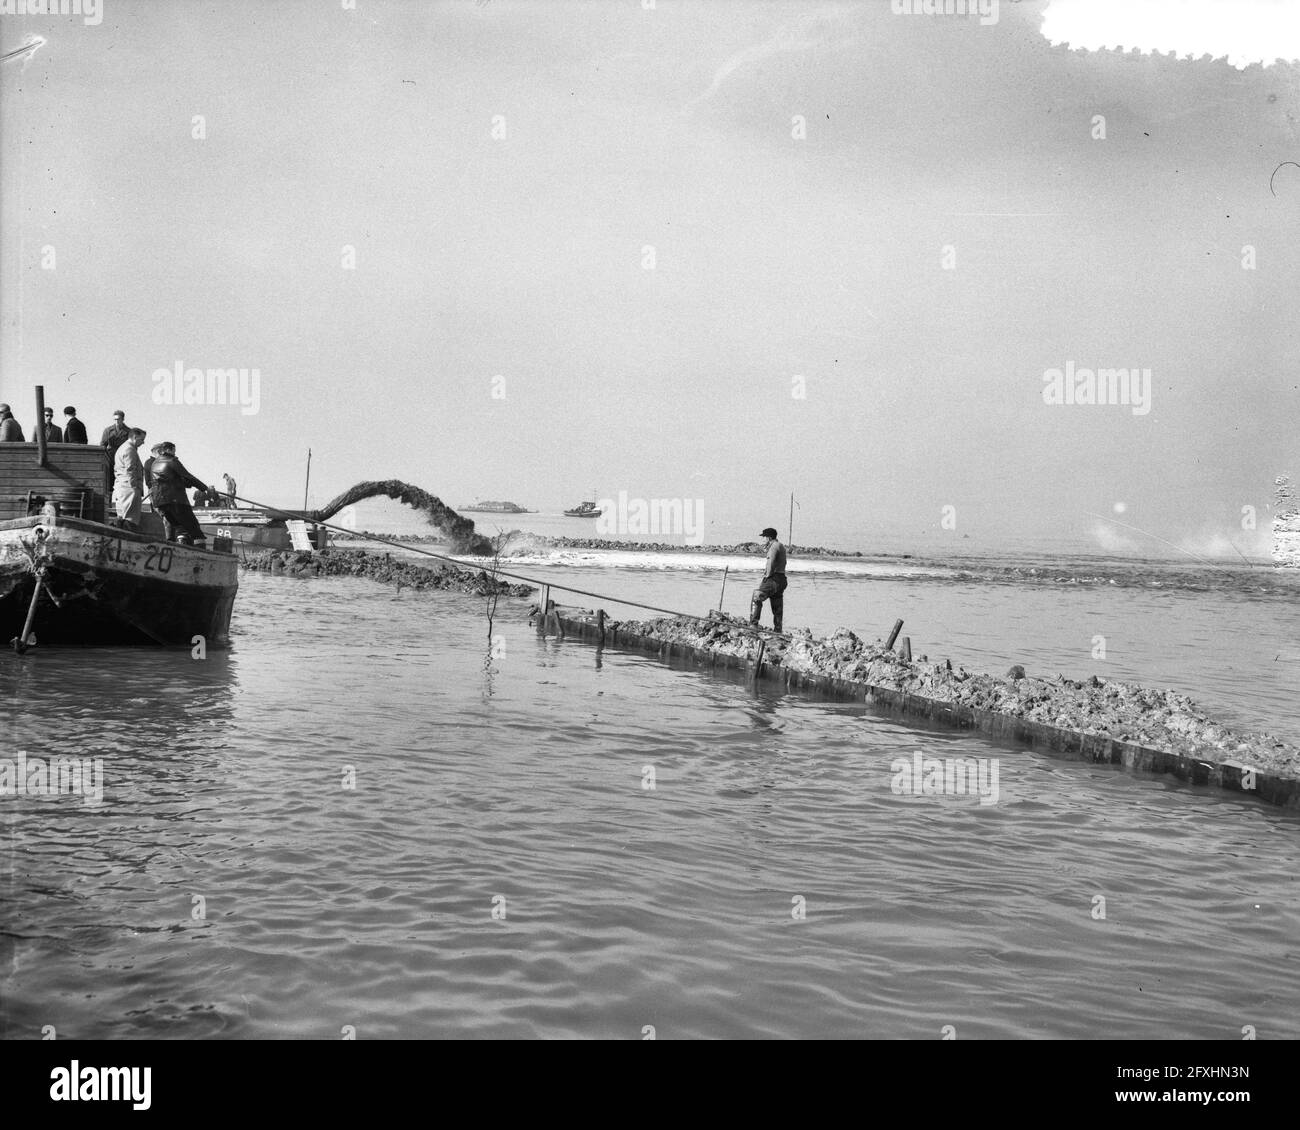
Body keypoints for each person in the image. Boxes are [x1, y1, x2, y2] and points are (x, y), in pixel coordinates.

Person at [149, 442, 212, 546]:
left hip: (161, 503)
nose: (175, 453)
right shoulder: (172, 460)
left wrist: (186, 484)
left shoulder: (154, 463)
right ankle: (201, 551)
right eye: (174, 450)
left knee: (179, 527)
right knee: (194, 528)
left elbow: (167, 479)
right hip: (176, 500)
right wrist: (204, 488)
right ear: (169, 450)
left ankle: (182, 547)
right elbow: (187, 476)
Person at [749, 526, 788, 633]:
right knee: (777, 603)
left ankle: (753, 625)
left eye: (764, 537)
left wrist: (767, 577)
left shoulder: (774, 547)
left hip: (773, 578)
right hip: (782, 579)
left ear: (769, 538)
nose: (763, 540)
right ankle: (778, 629)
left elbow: (770, 563)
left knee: (757, 597)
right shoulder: (781, 546)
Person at [112, 427, 147, 532]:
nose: (143, 442)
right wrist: (135, 486)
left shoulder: (123, 448)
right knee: (130, 519)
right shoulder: (129, 449)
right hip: (129, 488)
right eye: (142, 439)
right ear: (135, 437)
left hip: (122, 486)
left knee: (122, 517)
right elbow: (130, 468)